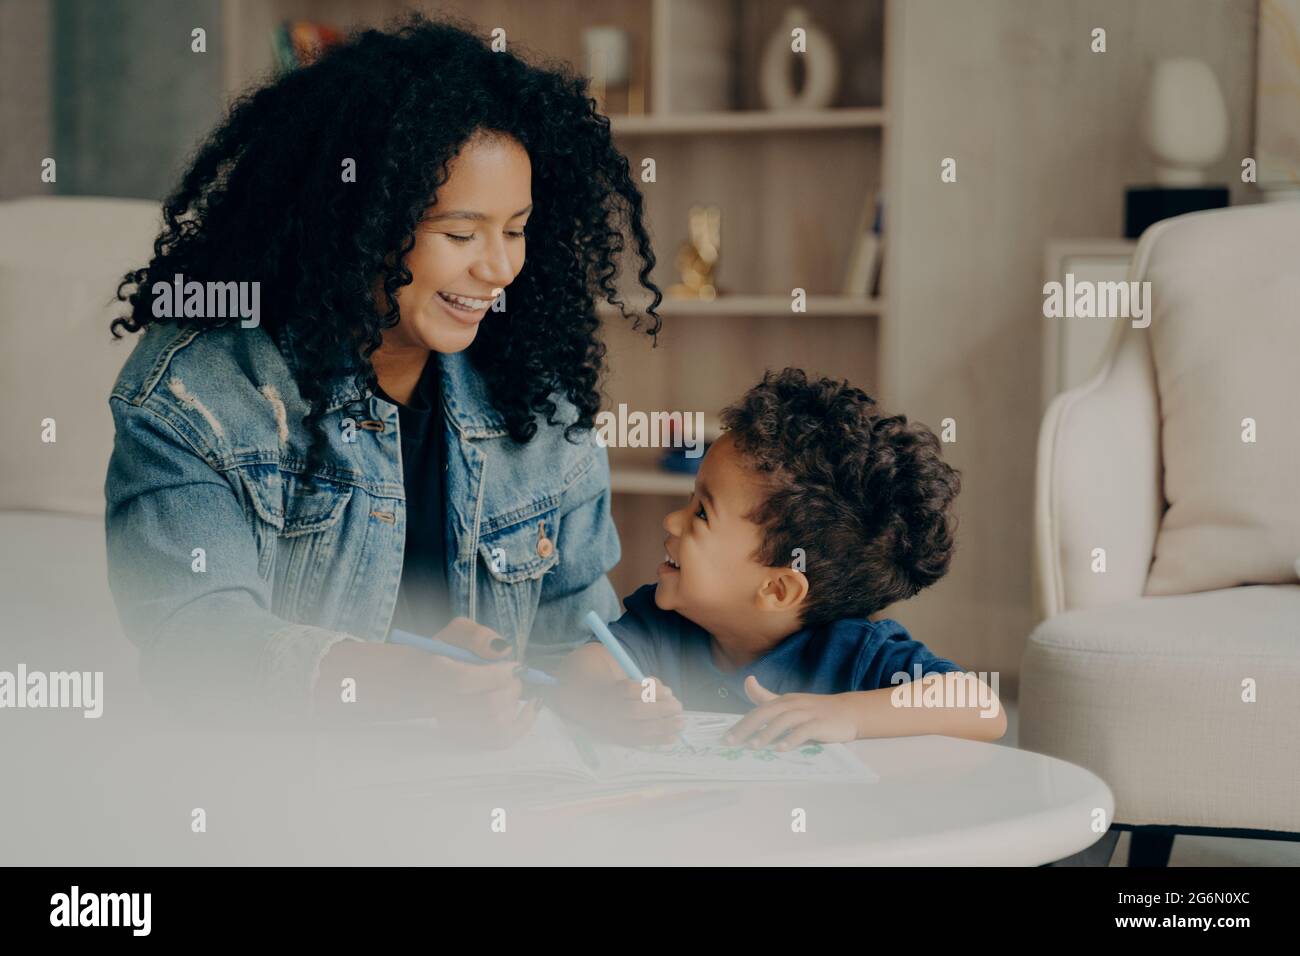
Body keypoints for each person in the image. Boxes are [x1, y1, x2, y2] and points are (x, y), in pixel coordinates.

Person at [103, 14, 662, 741]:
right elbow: (194, 641)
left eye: (516, 229)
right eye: (460, 234)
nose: (497, 269)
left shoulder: (538, 402)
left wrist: (606, 689)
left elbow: (571, 637)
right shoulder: (198, 394)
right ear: (356, 220)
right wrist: (403, 683)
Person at [553, 369, 1007, 747]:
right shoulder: (661, 620)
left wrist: (845, 714)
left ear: (777, 588)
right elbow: (586, 665)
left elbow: (982, 707)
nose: (673, 521)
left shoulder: (852, 652)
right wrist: (612, 699)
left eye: (702, 513)